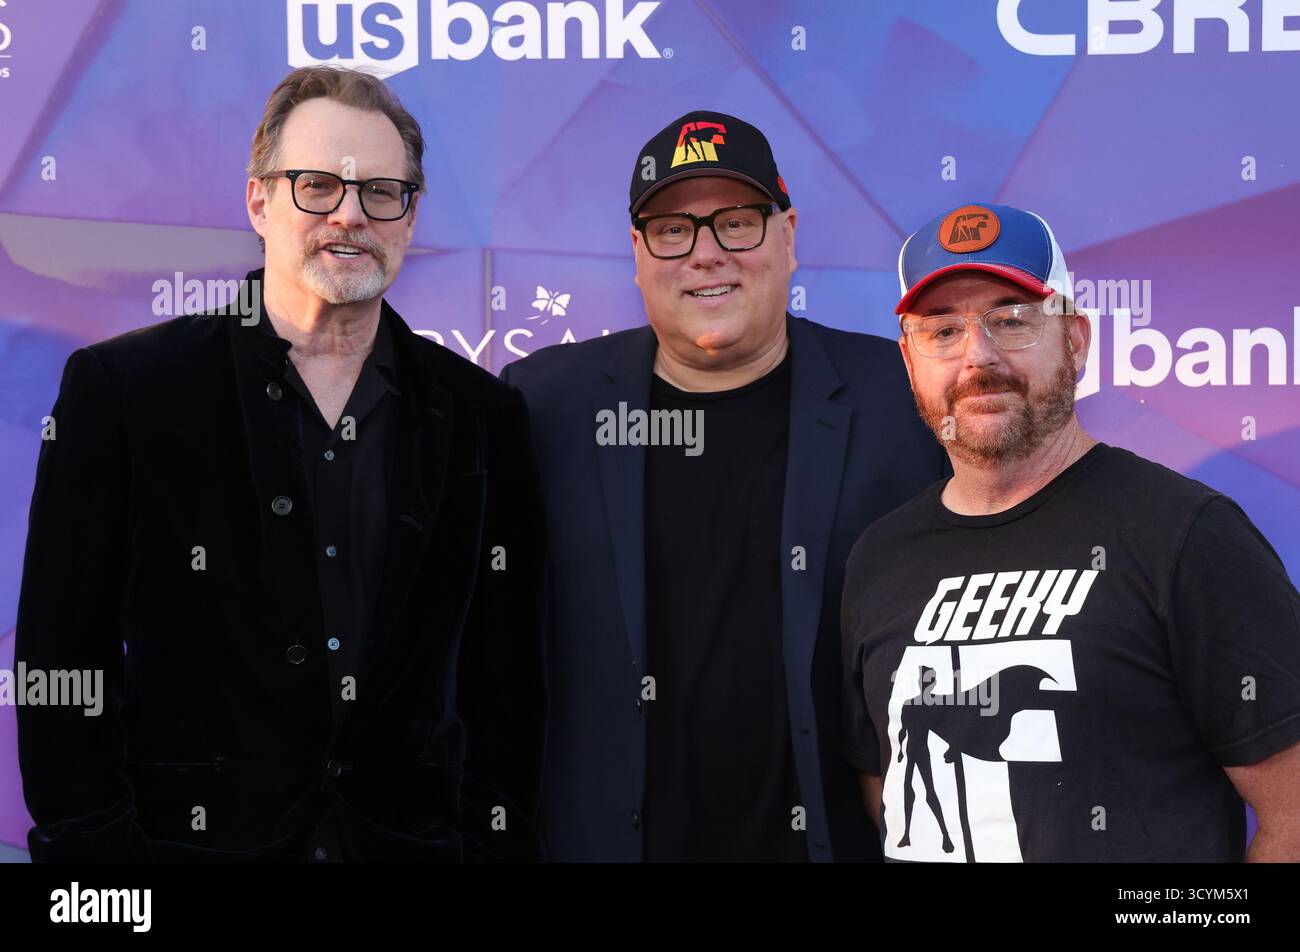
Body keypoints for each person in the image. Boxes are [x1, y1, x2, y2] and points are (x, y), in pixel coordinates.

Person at [15, 65, 546, 862]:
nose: (350, 215)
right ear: (259, 201)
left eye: (379, 193)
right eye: (318, 186)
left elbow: (507, 679)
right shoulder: (126, 393)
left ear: (409, 218)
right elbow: (62, 664)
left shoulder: (482, 415)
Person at [502, 110, 944, 861]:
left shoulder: (903, 398)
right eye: (673, 229)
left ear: (788, 234)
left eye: (736, 222)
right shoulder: (543, 405)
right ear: (637, 252)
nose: (706, 255)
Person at [841, 201, 1300, 861]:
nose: (979, 356)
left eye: (1012, 320)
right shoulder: (877, 559)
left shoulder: (1188, 537)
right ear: (910, 361)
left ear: (1076, 339)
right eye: (943, 331)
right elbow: (889, 786)